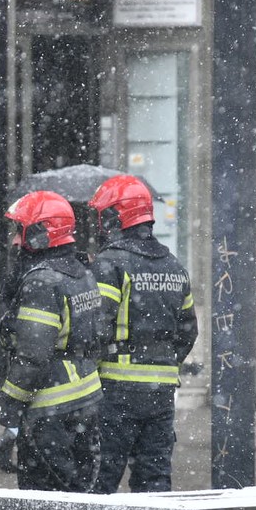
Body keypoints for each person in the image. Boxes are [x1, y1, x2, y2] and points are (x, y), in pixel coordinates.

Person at [88, 175, 198, 493]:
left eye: (103, 216)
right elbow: (189, 330)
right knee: (155, 476)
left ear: (114, 217)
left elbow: (95, 327)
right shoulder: (175, 267)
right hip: (161, 390)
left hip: (115, 390)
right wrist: (162, 360)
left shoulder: (110, 265)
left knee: (102, 476)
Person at [0, 190, 104, 493]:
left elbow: (32, 356)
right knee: (79, 494)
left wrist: (10, 412)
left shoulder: (42, 282)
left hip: (49, 411)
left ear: (41, 234)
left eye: (21, 231)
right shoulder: (82, 270)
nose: (16, 241)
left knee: (42, 504)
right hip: (86, 401)